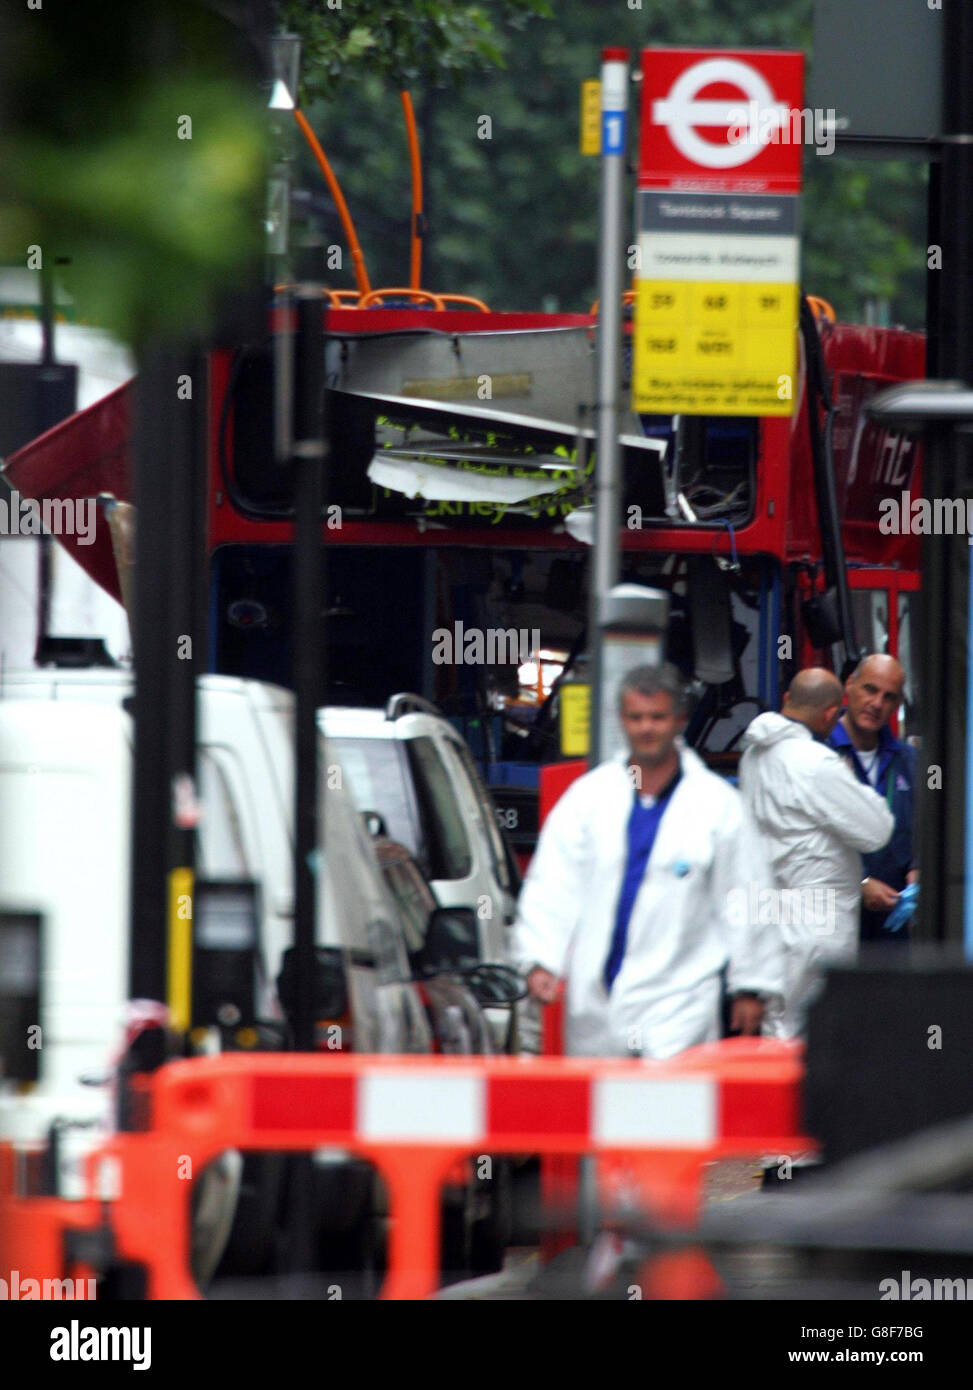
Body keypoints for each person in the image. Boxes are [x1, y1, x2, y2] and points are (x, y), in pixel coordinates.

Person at [511, 663, 784, 1059]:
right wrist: (540, 958)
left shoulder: (717, 805)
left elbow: (747, 894)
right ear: (621, 721)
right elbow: (552, 882)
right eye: (636, 718)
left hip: (680, 999)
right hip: (597, 999)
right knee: (601, 1112)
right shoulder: (589, 799)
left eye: (658, 717)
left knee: (671, 1113)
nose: (647, 728)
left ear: (679, 720)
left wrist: (751, 985)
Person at [739, 668, 894, 1038]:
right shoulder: (815, 763)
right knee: (812, 1033)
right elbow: (877, 829)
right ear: (830, 714)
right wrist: (848, 780)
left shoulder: (754, 756)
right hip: (816, 917)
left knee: (777, 1025)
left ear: (787, 700)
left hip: (770, 909)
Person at [825, 654, 918, 943]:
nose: (877, 704)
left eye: (889, 697)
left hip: (892, 926)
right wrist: (859, 883)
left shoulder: (910, 760)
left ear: (898, 704)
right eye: (870, 689)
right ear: (849, 685)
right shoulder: (818, 754)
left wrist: (919, 868)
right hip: (832, 920)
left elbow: (927, 825)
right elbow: (804, 839)